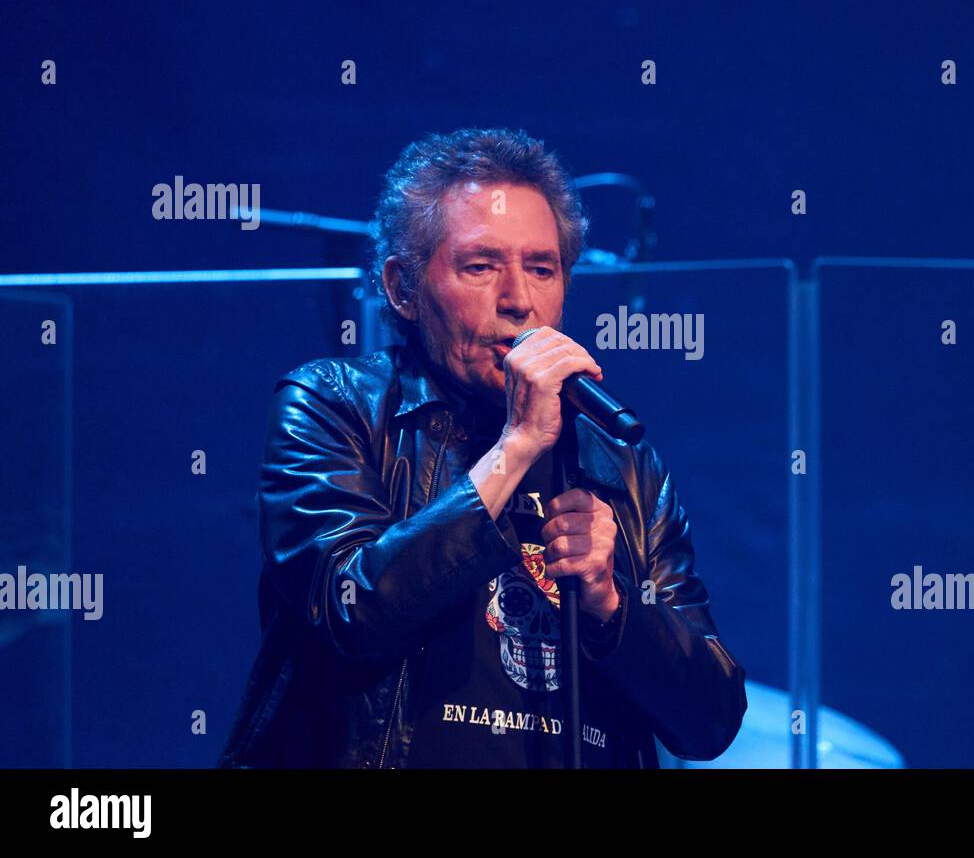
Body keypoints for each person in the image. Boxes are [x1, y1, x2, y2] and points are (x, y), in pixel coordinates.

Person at [217, 127, 746, 768]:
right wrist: (515, 448)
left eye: (542, 268)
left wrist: (612, 605)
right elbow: (349, 612)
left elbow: (712, 720)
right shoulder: (334, 404)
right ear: (403, 288)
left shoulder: (624, 462)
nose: (519, 299)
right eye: (480, 266)